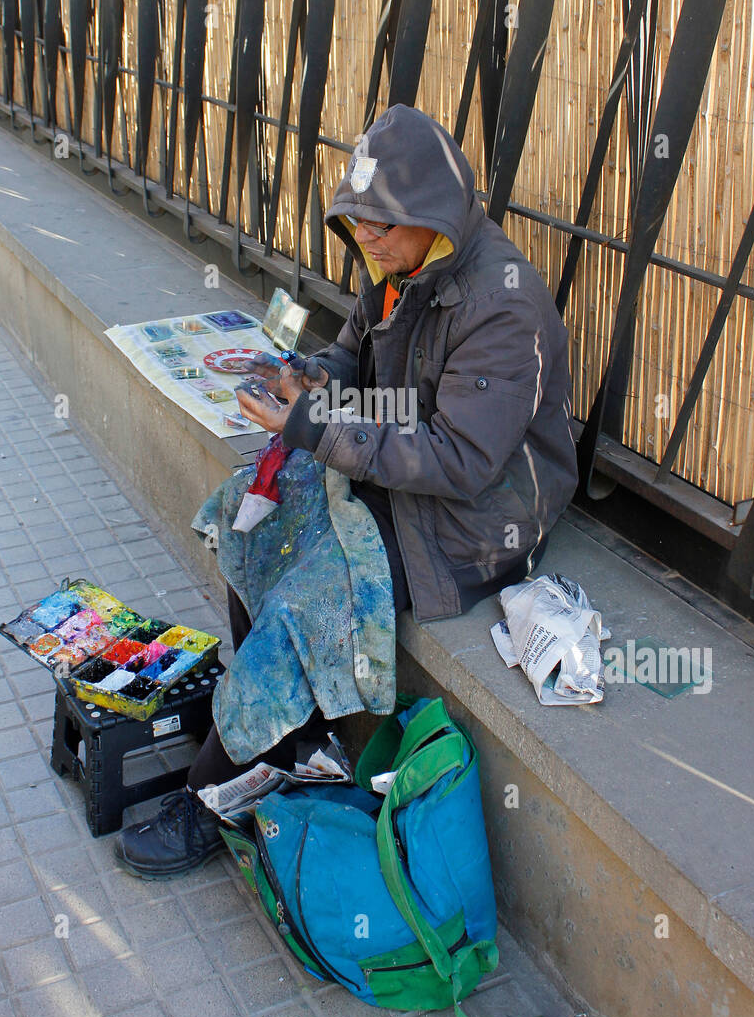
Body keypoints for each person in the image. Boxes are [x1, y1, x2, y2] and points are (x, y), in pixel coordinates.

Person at [114, 104, 578, 878]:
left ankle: (212, 794)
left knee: (311, 598)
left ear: (431, 217)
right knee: (251, 516)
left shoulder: (503, 300)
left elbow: (460, 459)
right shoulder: (404, 270)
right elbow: (352, 358)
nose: (364, 238)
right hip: (398, 469)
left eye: (379, 224)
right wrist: (308, 381)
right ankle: (289, 744)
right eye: (355, 220)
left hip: (472, 518)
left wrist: (319, 430)